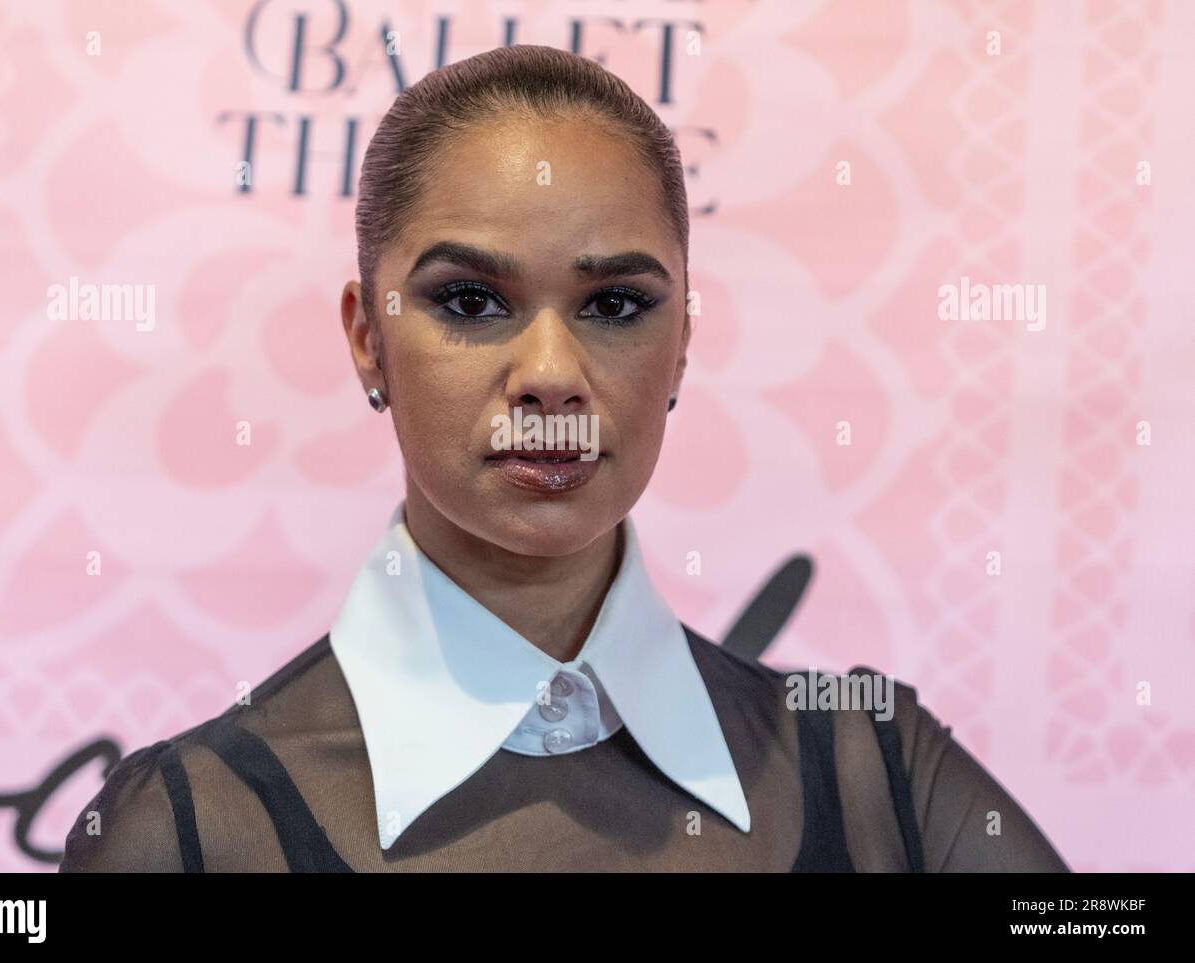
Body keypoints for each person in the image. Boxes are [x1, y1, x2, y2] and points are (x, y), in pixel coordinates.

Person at [59, 44, 1069, 873]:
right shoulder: (186, 833)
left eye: (614, 306)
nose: (551, 374)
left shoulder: (876, 775)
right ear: (367, 335)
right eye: (470, 301)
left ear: (680, 340)